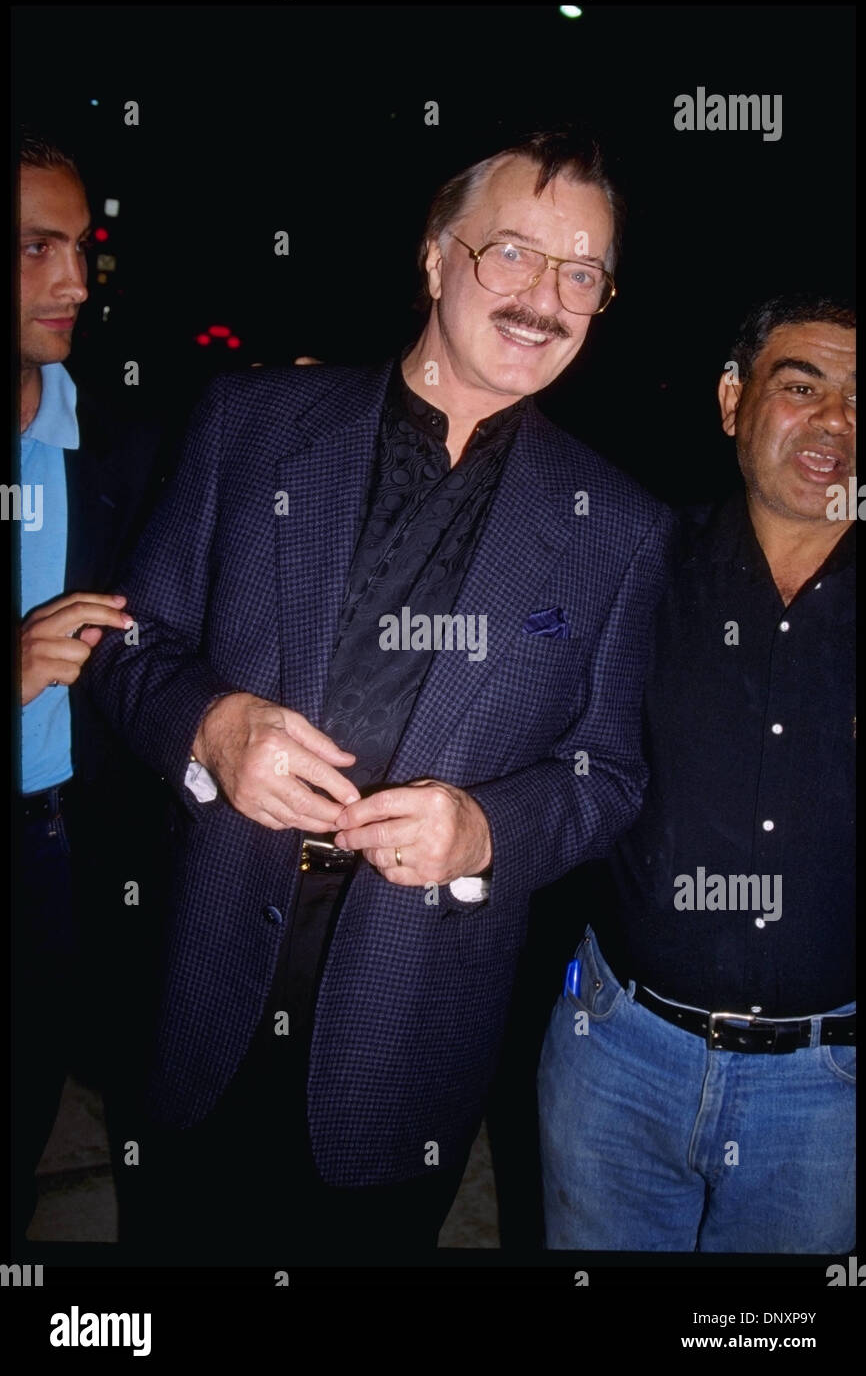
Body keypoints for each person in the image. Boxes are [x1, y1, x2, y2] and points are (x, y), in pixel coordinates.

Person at [87, 126, 673, 1261]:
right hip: (202, 975)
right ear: (433, 256)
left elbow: (608, 774)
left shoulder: (623, 527)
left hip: (409, 1035)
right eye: (510, 252)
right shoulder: (247, 424)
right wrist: (208, 721)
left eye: (581, 272)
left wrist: (487, 827)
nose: (543, 298)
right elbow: (129, 643)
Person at [538, 293, 855, 1253]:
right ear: (732, 401)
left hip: (828, 1088)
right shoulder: (636, 561)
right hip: (616, 1054)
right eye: (803, 387)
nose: (838, 422)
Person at [13, 131, 167, 1244]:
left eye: (81, 246)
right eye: (34, 247)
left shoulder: (111, 441)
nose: (75, 281)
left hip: (73, 851)